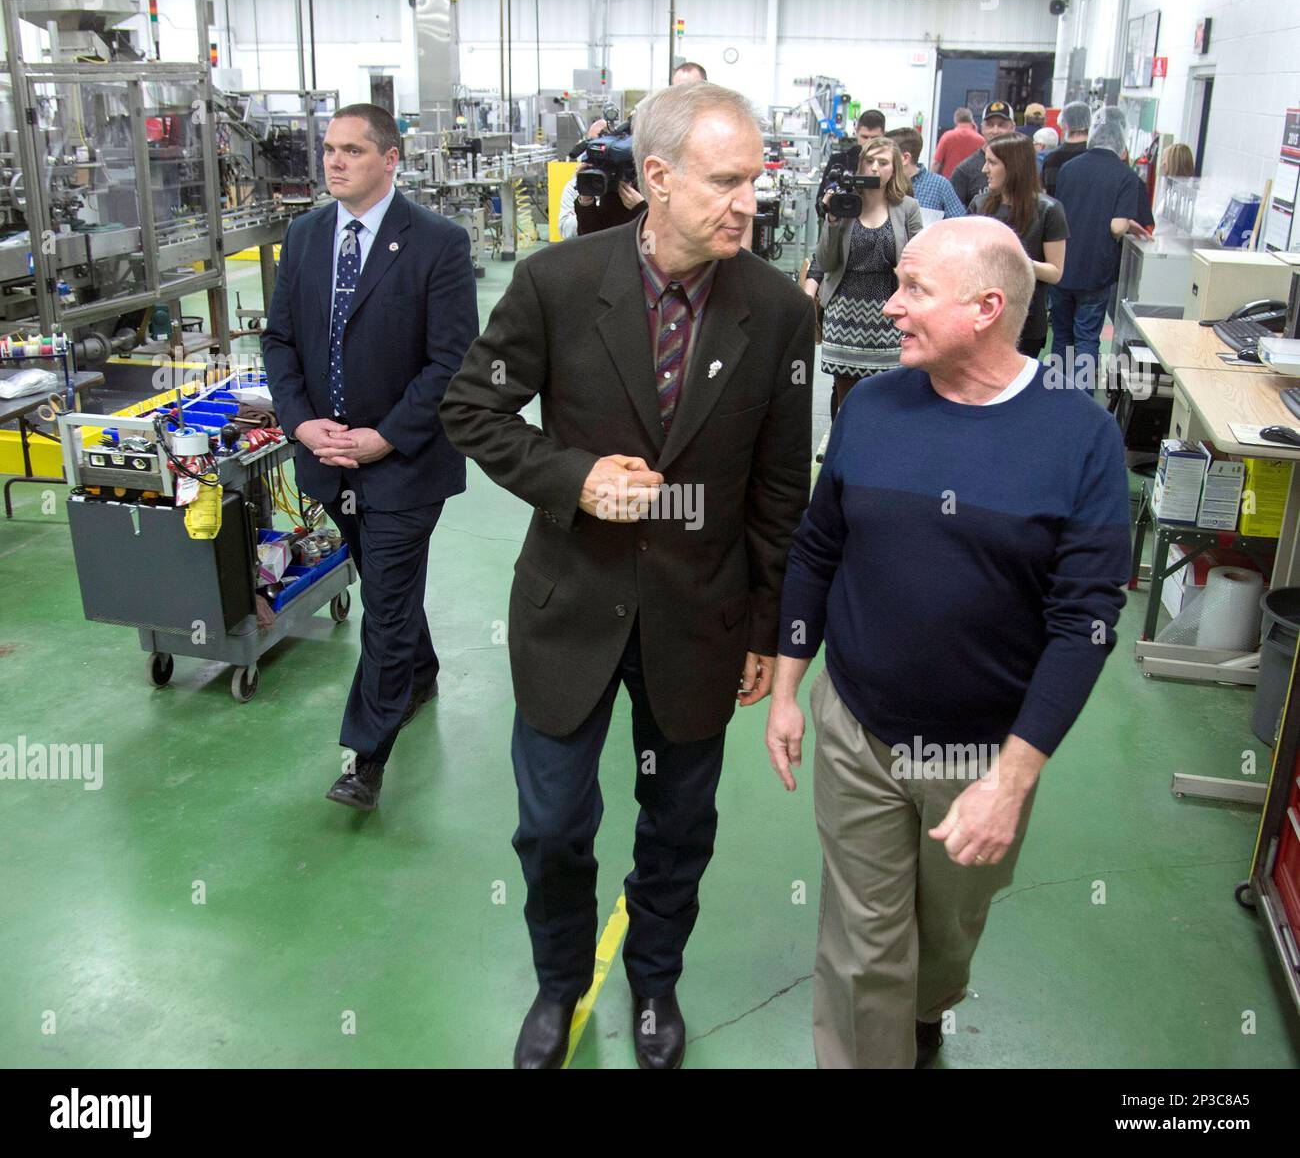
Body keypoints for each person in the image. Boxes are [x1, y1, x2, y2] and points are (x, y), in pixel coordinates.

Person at [440, 81, 815, 1071]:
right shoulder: (557, 283)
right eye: (725, 180)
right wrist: (574, 477)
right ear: (655, 178)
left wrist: (766, 631)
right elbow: (469, 409)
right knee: (553, 823)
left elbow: (781, 488)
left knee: (678, 819)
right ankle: (560, 981)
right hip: (570, 603)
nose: (748, 201)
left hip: (701, 613)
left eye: (755, 180)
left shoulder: (776, 313)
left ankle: (653, 977)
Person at [764, 216, 1131, 1070]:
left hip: (981, 748)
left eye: (915, 289)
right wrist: (789, 688)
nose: (889, 307)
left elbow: (1087, 620)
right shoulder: (873, 406)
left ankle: (929, 1011)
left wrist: (1012, 779)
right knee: (863, 943)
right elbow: (820, 545)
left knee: (948, 931)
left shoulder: (1079, 439)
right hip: (856, 723)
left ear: (986, 308)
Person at [262, 103, 478, 811]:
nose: (333, 161)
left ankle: (367, 753)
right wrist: (301, 425)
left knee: (383, 603)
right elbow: (282, 343)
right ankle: (420, 672)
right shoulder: (304, 236)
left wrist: (386, 434)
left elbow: (452, 360)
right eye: (328, 148)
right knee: (387, 583)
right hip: (330, 461)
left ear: (390, 159)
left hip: (405, 461)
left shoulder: (437, 243)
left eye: (352, 150)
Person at [817, 137, 924, 416]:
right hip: (845, 316)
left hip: (889, 314)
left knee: (889, 400)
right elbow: (826, 261)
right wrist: (831, 222)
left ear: (895, 169)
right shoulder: (845, 204)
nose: (875, 168)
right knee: (846, 403)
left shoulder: (907, 208)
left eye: (883, 162)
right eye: (869, 161)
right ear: (860, 165)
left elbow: (919, 261)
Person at [1050, 108, 1154, 391]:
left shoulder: (1069, 168)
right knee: (1086, 338)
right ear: (1122, 140)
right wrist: (1132, 225)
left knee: (1061, 337)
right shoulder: (1125, 176)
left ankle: (1056, 395)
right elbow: (1117, 227)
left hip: (1061, 266)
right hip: (1095, 270)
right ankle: (1080, 402)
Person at [970, 132, 1068, 359]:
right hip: (981, 316)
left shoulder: (1049, 210)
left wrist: (1016, 259)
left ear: (1014, 166)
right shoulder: (980, 205)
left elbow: (1055, 273)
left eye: (992, 162)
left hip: (1026, 321)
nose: (984, 169)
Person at [805, 110, 890, 300]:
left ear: (884, 135)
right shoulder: (840, 160)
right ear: (856, 132)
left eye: (874, 138)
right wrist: (831, 206)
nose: (868, 142)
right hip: (839, 229)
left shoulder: (888, 167)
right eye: (864, 137)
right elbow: (821, 201)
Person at [886, 127, 966, 220]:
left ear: (905, 158)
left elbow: (959, 223)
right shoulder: (881, 183)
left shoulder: (939, 185)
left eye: (885, 157)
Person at [950, 101, 1018, 208]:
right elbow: (955, 218)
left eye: (1002, 125)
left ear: (1013, 127)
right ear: (982, 128)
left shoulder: (1022, 165)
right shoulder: (964, 171)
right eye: (990, 125)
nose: (995, 131)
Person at [1041, 100, 1090, 197]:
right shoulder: (1096, 155)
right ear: (1089, 122)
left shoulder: (1051, 159)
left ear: (1064, 123)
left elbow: (1047, 197)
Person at [931, 107, 984, 179]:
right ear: (971, 120)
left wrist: (931, 180)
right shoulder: (980, 140)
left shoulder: (947, 136)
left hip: (949, 183)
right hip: (972, 183)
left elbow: (936, 163)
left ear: (955, 120)